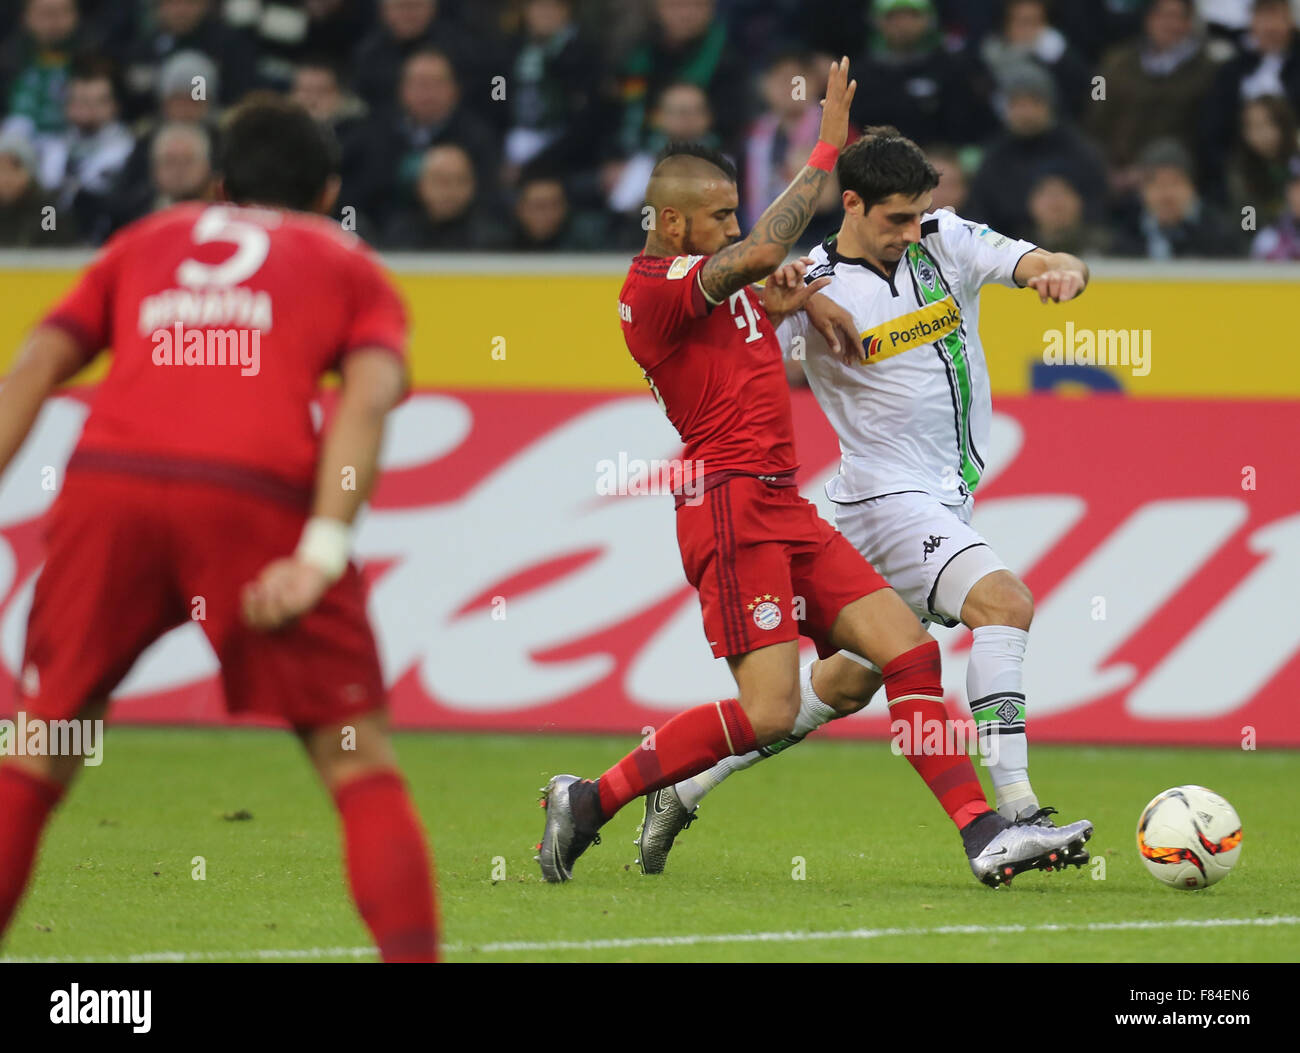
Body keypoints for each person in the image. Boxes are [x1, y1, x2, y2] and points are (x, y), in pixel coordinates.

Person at [536, 58, 1091, 889]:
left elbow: (767, 284)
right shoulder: (654, 289)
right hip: (728, 503)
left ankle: (982, 832)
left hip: (786, 505)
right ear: (676, 224)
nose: (735, 227)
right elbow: (762, 252)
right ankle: (593, 796)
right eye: (719, 215)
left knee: (900, 657)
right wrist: (825, 150)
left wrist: (804, 298)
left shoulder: (734, 284)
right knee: (767, 707)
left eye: (736, 212)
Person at [0, 95, 439, 962]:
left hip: (110, 487)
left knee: (40, 743)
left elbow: (39, 360)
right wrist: (320, 546)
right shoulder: (350, 263)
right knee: (353, 755)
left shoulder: (147, 240)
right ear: (329, 192)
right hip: (253, 493)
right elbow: (372, 393)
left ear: (217, 182)